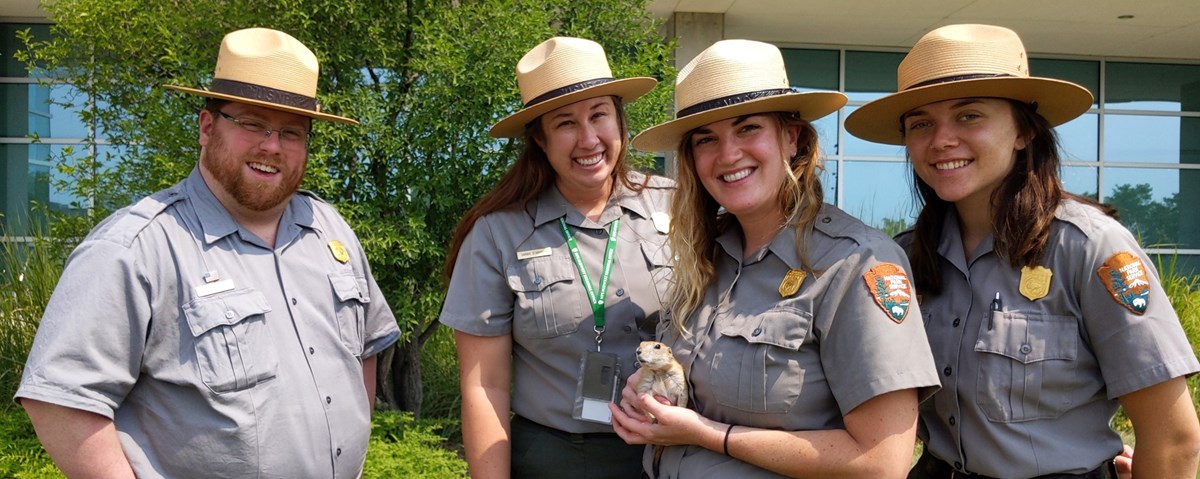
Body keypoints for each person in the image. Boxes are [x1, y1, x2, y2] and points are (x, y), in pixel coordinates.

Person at [15, 28, 400, 478]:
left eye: (292, 133)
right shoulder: (136, 248)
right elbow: (61, 402)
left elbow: (363, 351)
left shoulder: (328, 228)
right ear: (206, 126)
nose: (272, 146)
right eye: (252, 124)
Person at [844, 24, 1200, 479]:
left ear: (1023, 133)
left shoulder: (1089, 249)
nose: (942, 139)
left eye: (969, 115)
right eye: (921, 123)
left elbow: (1173, 438)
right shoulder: (905, 259)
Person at [610, 38, 941, 479]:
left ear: (792, 138)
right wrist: (651, 394)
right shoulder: (706, 257)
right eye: (706, 139)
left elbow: (882, 462)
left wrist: (706, 434)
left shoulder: (855, 263)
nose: (728, 155)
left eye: (748, 128)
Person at [439, 36, 674, 478]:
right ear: (540, 139)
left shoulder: (677, 207)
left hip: (676, 452)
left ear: (620, 121)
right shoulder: (497, 233)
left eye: (599, 114)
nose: (589, 139)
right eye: (566, 123)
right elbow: (484, 386)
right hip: (561, 459)